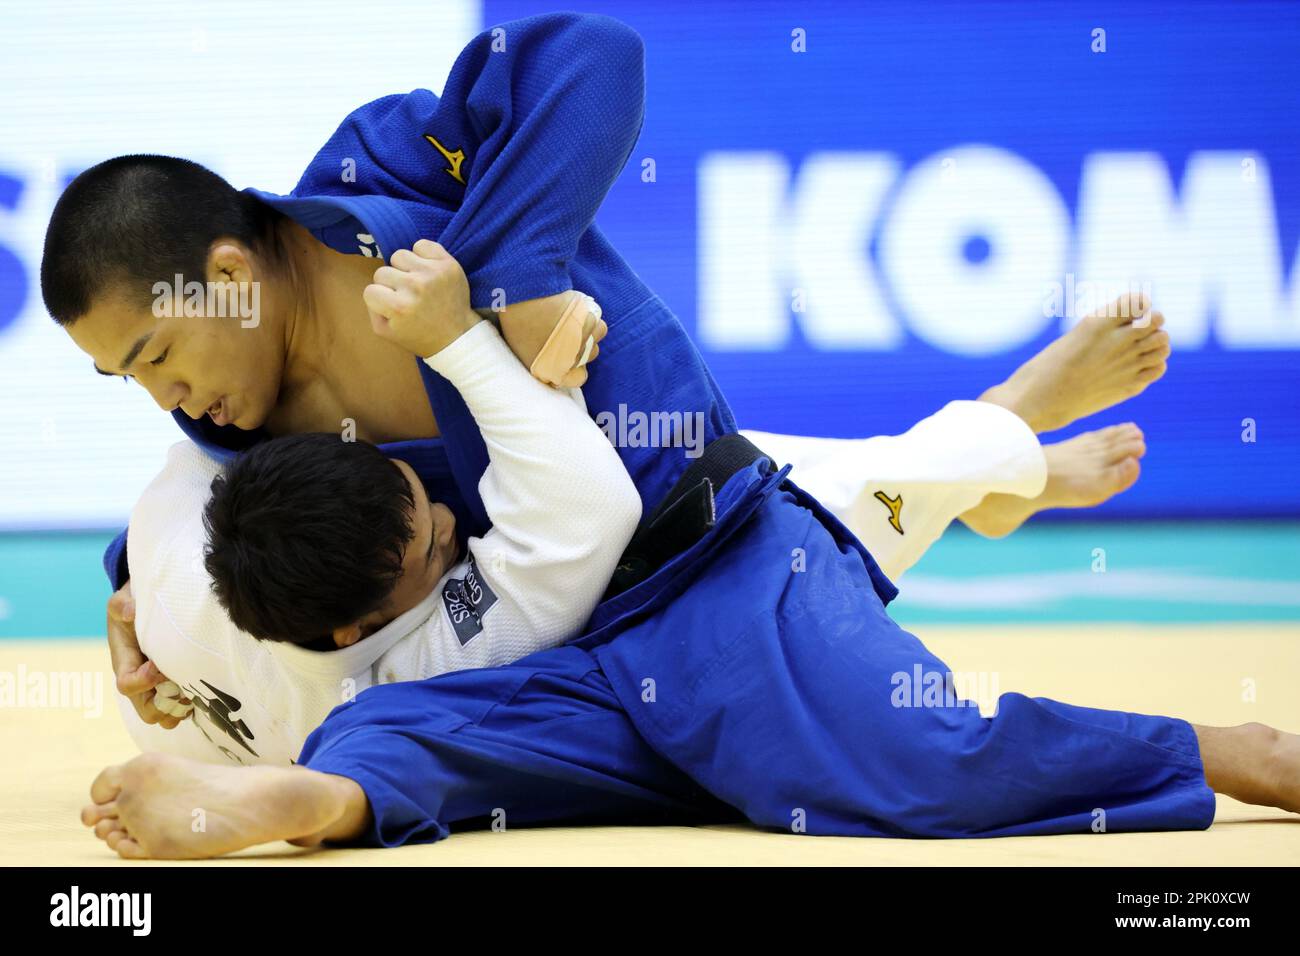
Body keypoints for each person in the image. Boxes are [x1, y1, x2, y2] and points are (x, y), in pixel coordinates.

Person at [40, 12, 1170, 735]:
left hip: (677, 471)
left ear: (228, 275)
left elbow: (594, 53)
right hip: (560, 583)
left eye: (155, 356)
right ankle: (1005, 453)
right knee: (833, 496)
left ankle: (1005, 447)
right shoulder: (237, 418)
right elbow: (207, 493)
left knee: (825, 597)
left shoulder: (369, 169)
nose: (165, 396)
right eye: (125, 381)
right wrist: (138, 590)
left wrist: (516, 268)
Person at [80, 246, 1295, 860]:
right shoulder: (331, 675)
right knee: (373, 740)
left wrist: (117, 588)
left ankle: (1011, 453)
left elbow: (175, 491)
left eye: (426, 498)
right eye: (427, 547)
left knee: (893, 752)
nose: (452, 521)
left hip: (686, 571)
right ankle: (994, 456)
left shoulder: (257, 463)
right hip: (567, 683)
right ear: (351, 623)